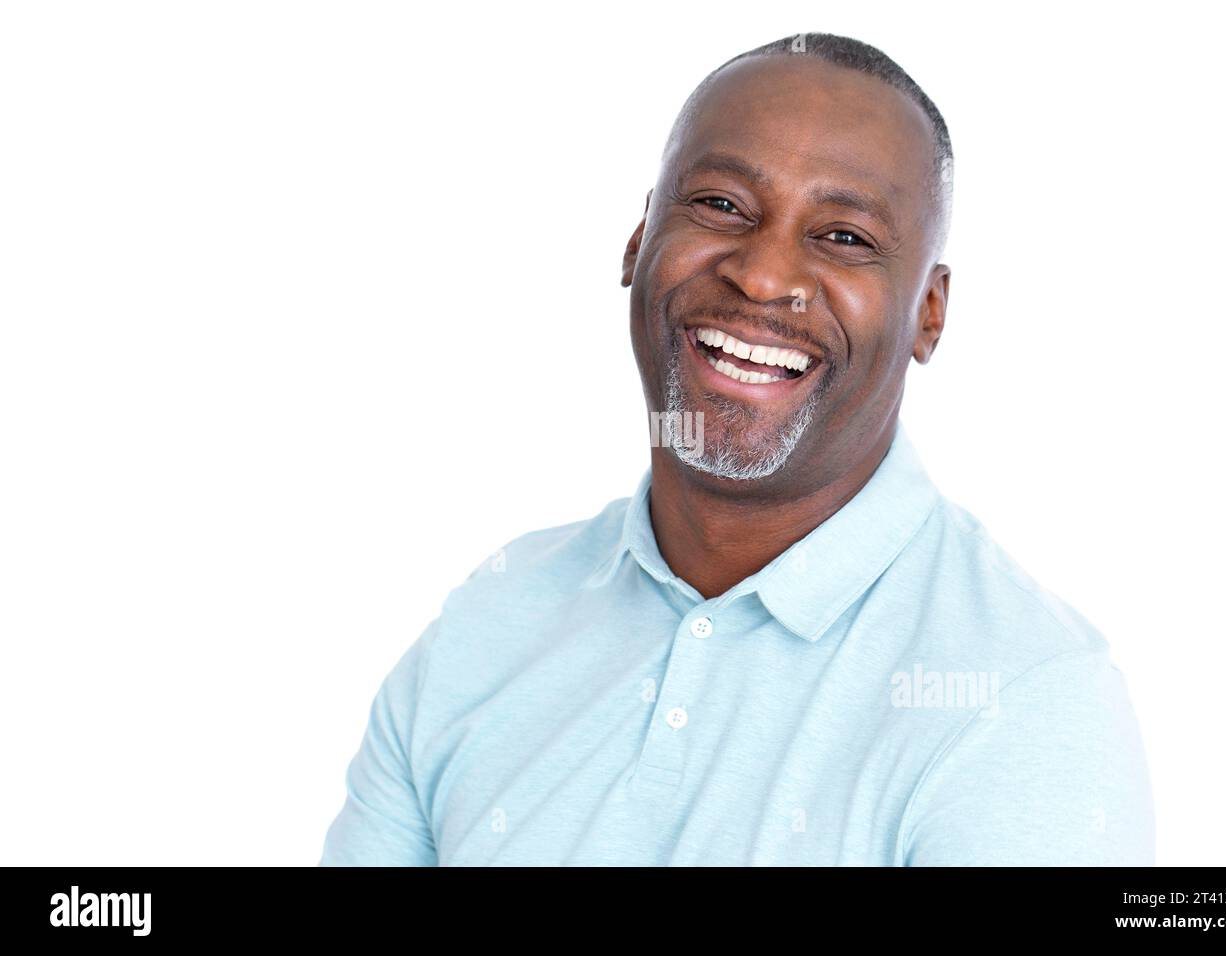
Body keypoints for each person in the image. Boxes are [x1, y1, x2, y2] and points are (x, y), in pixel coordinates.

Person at [320, 32, 1155, 866]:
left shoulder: (1025, 698)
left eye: (846, 237)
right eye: (721, 205)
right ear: (639, 237)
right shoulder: (489, 626)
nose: (762, 277)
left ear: (928, 315)